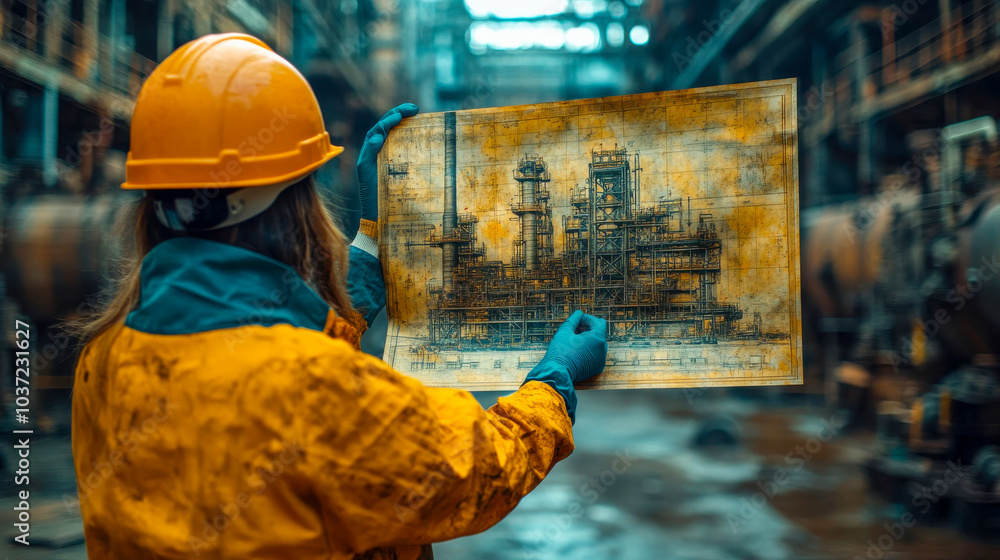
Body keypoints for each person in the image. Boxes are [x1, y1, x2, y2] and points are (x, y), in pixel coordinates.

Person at [71, 33, 607, 560]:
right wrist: (553, 382)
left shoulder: (104, 362)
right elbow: (478, 469)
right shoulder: (317, 389)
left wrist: (371, 241)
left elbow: (279, 357)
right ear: (290, 206)